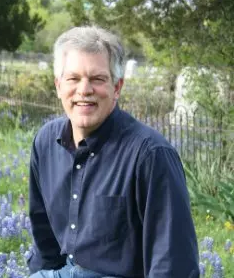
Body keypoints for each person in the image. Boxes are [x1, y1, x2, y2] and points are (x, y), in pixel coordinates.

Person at [27, 26, 200, 278]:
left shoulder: (150, 155)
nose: (84, 90)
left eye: (97, 79)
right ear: (58, 86)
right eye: (73, 79)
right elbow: (45, 242)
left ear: (117, 87)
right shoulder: (45, 142)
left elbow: (173, 264)